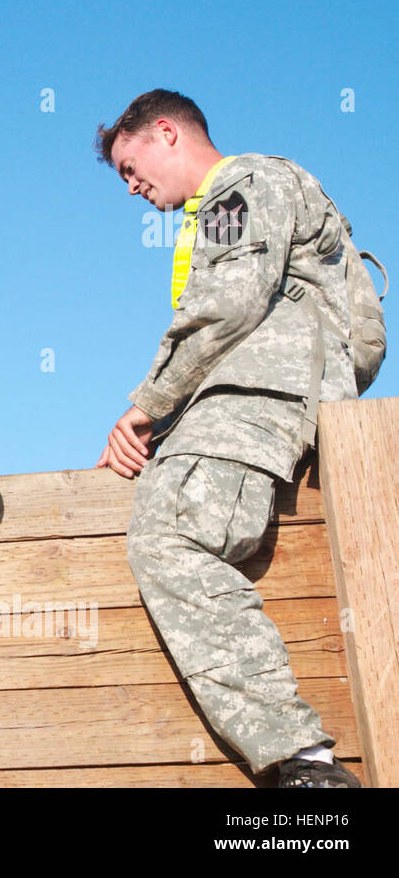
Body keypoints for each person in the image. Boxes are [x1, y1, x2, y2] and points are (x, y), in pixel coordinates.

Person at [94, 90, 366, 787]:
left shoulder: (238, 186)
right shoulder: (232, 201)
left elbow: (227, 305)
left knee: (170, 535)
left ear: (165, 132)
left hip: (263, 390)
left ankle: (304, 765)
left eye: (131, 166)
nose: (132, 186)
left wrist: (145, 409)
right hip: (268, 389)